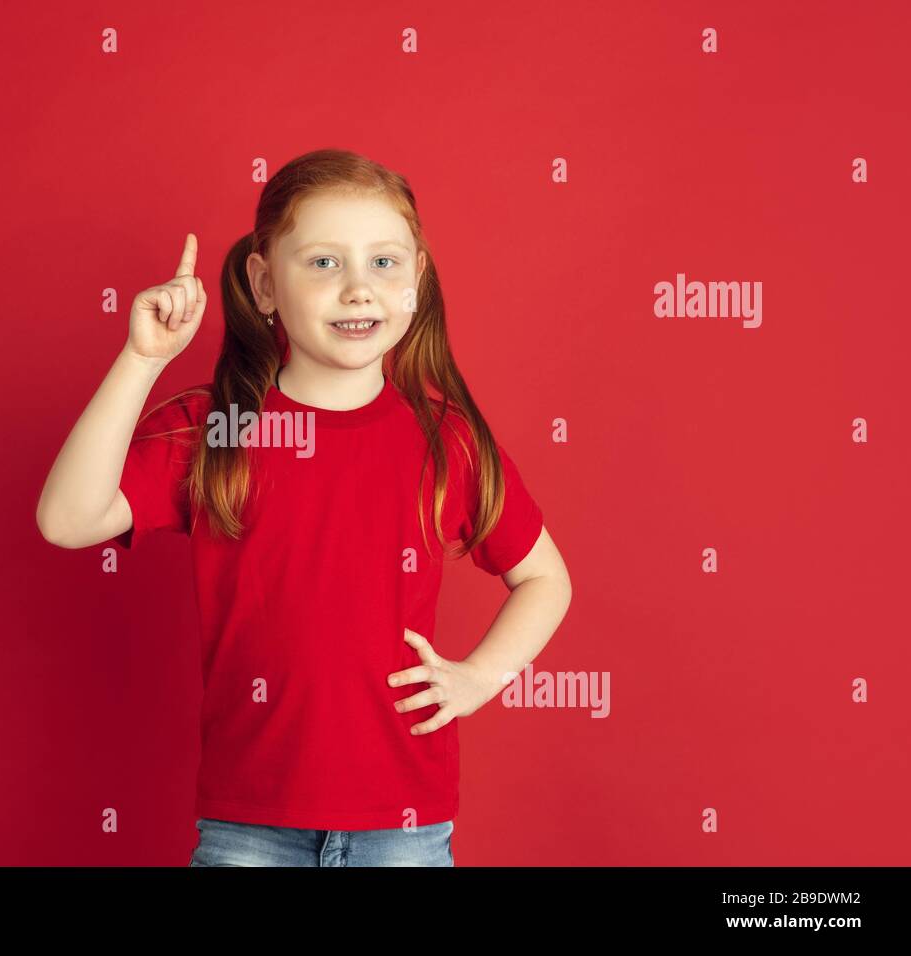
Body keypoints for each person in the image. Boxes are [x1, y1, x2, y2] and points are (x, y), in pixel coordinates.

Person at [36, 148, 572, 866]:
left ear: (416, 281)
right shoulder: (214, 428)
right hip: (248, 825)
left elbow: (547, 578)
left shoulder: (450, 443)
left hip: (404, 827)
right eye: (323, 263)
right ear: (263, 284)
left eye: (384, 263)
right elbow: (67, 520)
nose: (358, 289)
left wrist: (481, 677)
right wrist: (143, 359)